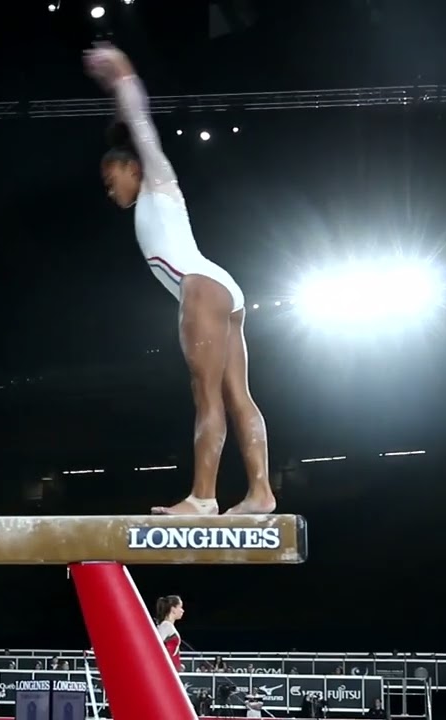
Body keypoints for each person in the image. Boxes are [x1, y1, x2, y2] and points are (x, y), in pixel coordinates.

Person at [83, 42, 274, 516]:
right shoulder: (154, 199)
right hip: (222, 287)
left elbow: (140, 123)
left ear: (132, 167)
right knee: (237, 394)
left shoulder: (158, 179)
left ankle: (203, 498)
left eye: (111, 180)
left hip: (200, 285)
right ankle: (260, 492)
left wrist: (123, 75)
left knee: (206, 395)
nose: (110, 191)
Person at [154, 595, 185, 671]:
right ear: (173, 609)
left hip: (170, 670)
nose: (182, 611)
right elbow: (155, 645)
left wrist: (177, 665)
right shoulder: (166, 626)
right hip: (165, 670)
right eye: (180, 607)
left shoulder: (168, 626)